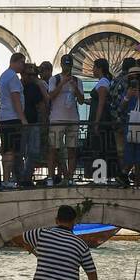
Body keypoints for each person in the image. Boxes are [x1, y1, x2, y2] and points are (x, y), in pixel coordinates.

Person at [47, 54, 84, 186]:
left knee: (72, 149)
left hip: (73, 119)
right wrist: (62, 83)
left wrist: (75, 88)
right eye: (65, 65)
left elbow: (81, 100)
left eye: (69, 65)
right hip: (57, 119)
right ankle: (51, 177)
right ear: (61, 65)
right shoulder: (54, 79)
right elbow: (50, 96)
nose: (67, 67)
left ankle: (70, 177)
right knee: (54, 149)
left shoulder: (77, 81)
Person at [109, 57, 139, 186]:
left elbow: (110, 99)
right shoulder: (130, 82)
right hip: (127, 119)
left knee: (121, 150)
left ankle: (123, 175)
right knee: (133, 148)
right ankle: (127, 175)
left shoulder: (115, 80)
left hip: (115, 119)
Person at [0, 52, 27, 188]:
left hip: (4, 117)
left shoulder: (4, 75)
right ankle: (7, 179)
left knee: (7, 149)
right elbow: (16, 98)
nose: (23, 66)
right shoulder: (13, 77)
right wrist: (22, 118)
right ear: (15, 62)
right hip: (12, 118)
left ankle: (7, 178)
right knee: (11, 150)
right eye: (22, 62)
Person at [19, 64, 49, 187]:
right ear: (22, 74)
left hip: (34, 123)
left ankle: (26, 177)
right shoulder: (17, 85)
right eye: (29, 74)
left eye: (33, 74)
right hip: (20, 124)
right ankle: (20, 178)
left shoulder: (35, 87)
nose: (31, 77)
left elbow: (41, 104)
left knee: (34, 152)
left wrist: (45, 119)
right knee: (20, 152)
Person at [88, 57, 115, 181]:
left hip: (101, 120)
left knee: (100, 148)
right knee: (99, 148)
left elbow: (101, 103)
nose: (92, 70)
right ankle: (99, 177)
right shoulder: (103, 82)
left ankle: (100, 177)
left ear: (99, 69)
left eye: (94, 67)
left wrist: (96, 122)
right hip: (100, 118)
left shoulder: (103, 82)